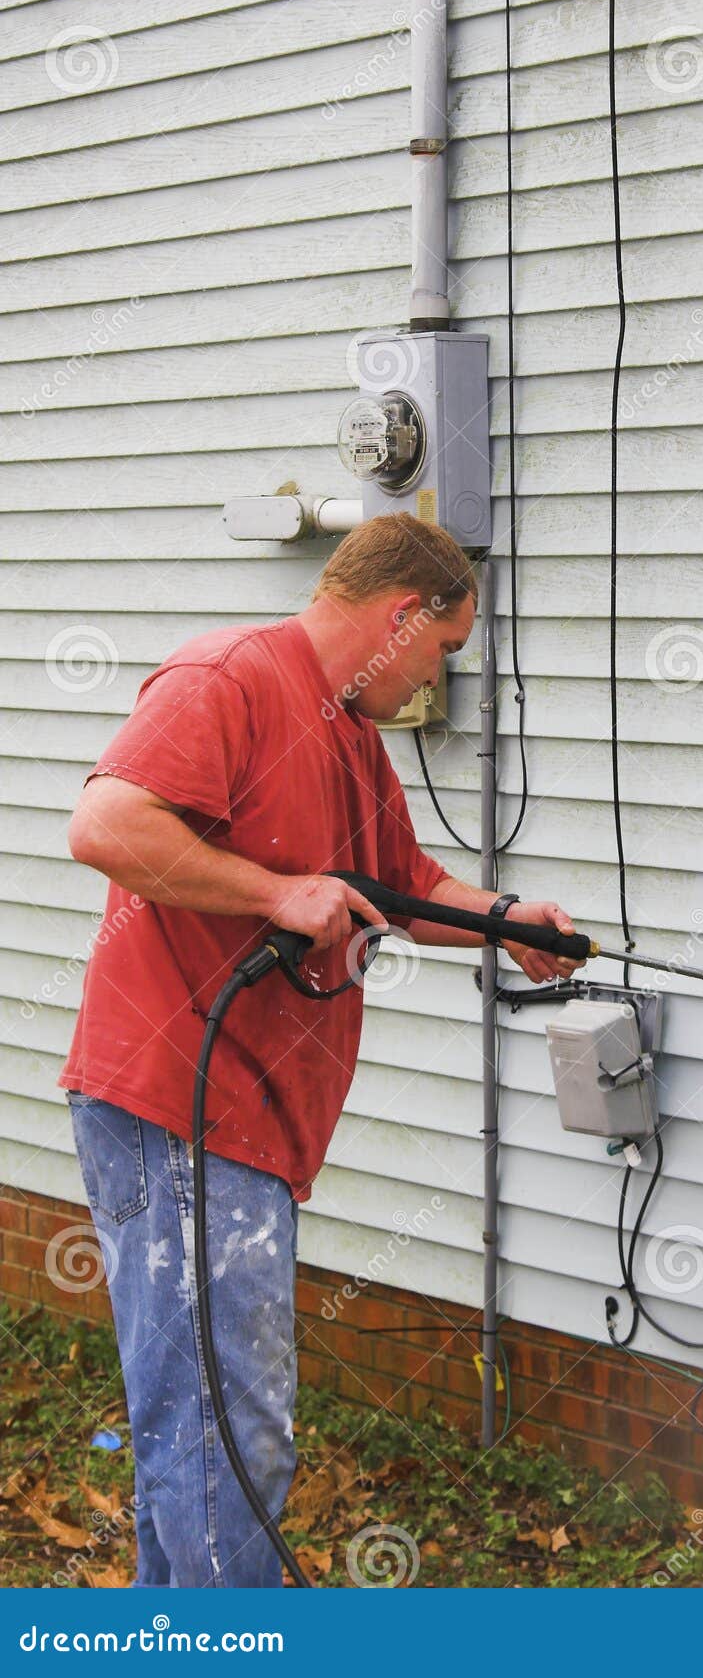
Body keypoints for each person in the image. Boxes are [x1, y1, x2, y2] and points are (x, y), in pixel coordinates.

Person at [60, 511, 586, 1587]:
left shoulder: (347, 732)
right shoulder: (232, 677)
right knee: (227, 1441)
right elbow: (107, 824)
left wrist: (511, 918)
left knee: (205, 1432)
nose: (439, 674)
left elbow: (407, 887)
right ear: (401, 617)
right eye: (443, 650)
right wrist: (275, 892)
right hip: (177, 1108)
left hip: (251, 1127)